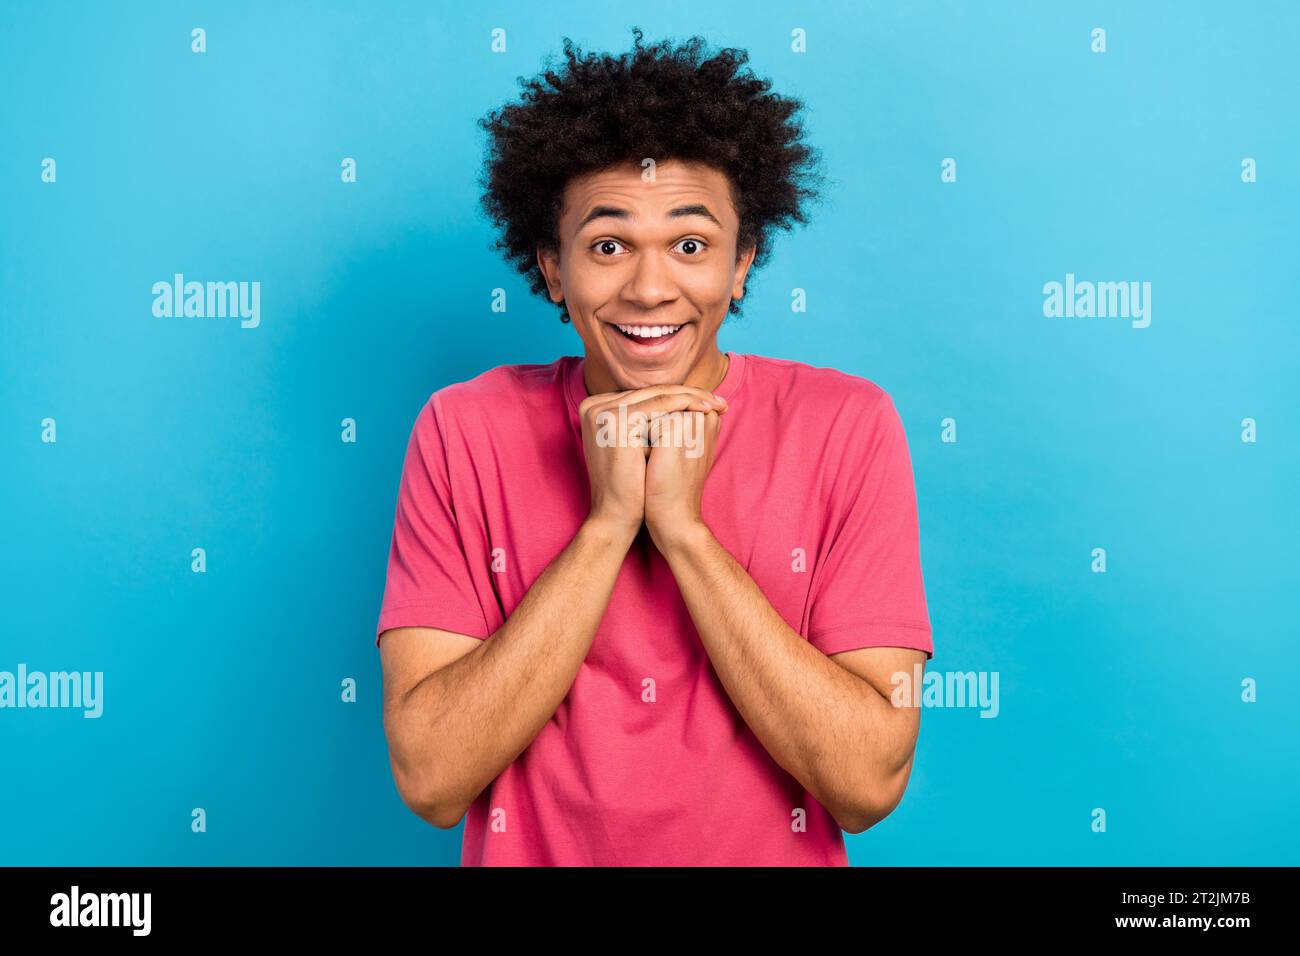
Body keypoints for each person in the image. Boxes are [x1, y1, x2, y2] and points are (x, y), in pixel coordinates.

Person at [375, 28, 934, 866]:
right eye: (607, 246)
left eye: (691, 244)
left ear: (742, 262)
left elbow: (866, 783)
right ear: (552, 268)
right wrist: (607, 526)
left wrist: (683, 531)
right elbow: (430, 778)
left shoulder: (847, 424)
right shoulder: (465, 429)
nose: (649, 287)